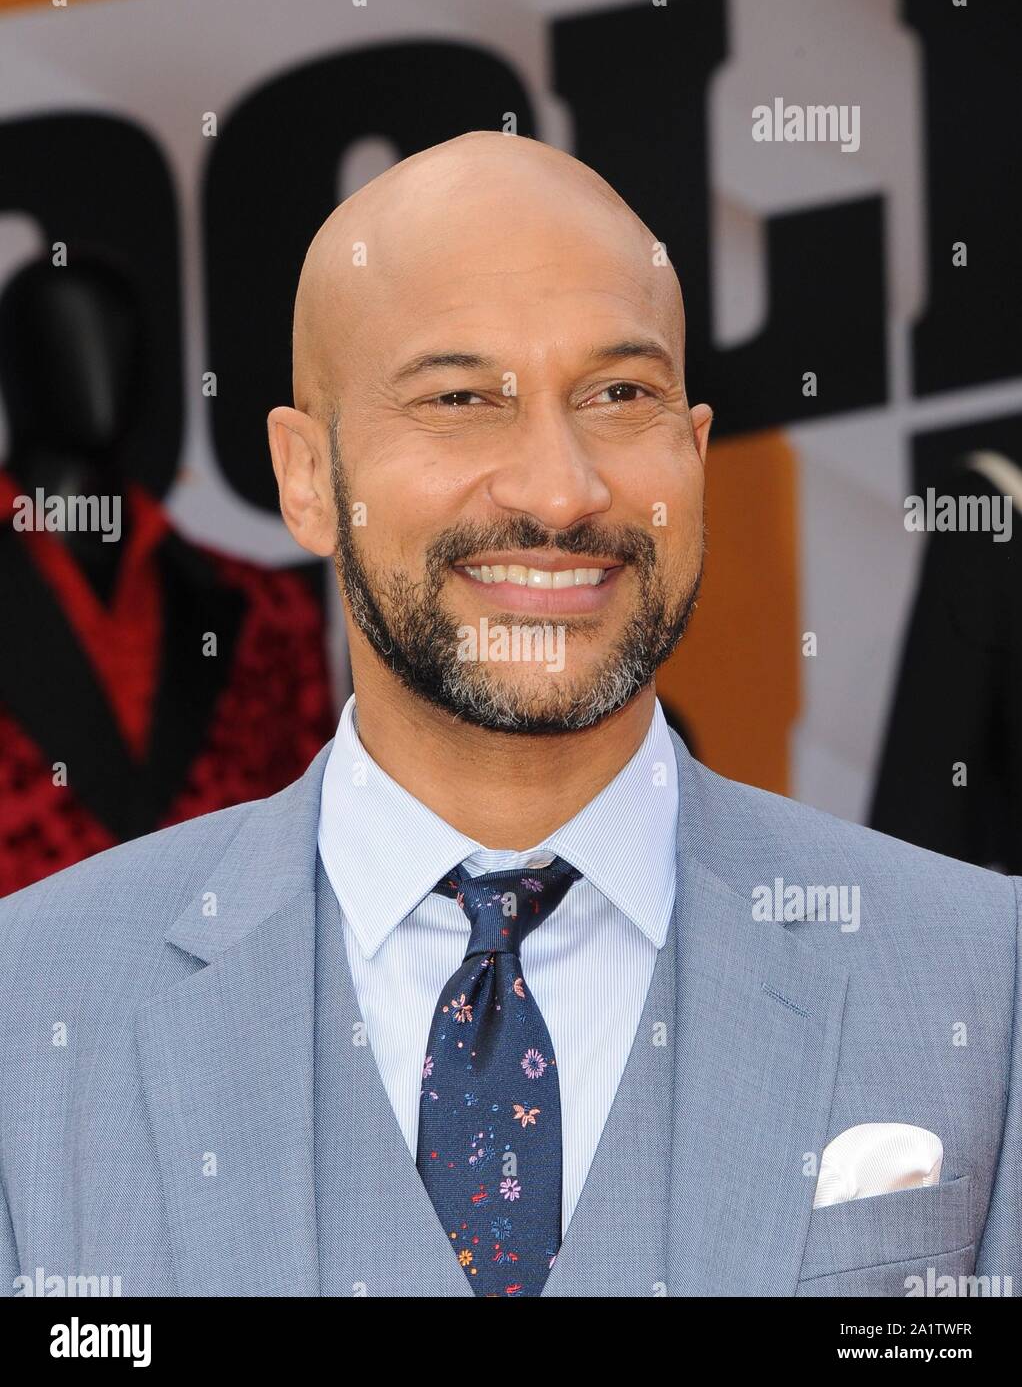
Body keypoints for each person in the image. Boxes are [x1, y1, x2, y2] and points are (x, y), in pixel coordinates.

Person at [0, 132, 1018, 1298]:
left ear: (691, 456)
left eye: (619, 394)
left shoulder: (983, 978)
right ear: (307, 479)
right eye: (460, 398)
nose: (558, 488)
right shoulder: (27, 1013)